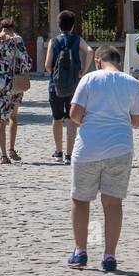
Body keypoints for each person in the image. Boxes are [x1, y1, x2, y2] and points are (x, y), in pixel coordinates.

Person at [67, 44, 139, 272]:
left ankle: (81, 252)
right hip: (120, 149)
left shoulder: (89, 79)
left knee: (81, 200)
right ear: (118, 61)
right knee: (112, 204)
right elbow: (137, 121)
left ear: (98, 60)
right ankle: (109, 255)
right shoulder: (132, 83)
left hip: (88, 148)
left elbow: (74, 114)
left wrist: (91, 123)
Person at [0, 17, 31, 165]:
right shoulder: (17, 39)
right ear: (12, 27)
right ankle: (12, 149)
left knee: (1, 120)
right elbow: (26, 61)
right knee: (14, 117)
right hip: (14, 83)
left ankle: (3, 155)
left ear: (0, 27)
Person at [45, 9, 93, 165]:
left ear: (59, 26)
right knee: (72, 119)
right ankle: (69, 155)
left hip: (55, 86)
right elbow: (90, 51)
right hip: (74, 86)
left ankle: (58, 152)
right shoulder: (77, 40)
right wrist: (83, 71)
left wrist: (56, 72)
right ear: (72, 26)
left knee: (57, 118)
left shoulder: (54, 41)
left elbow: (47, 66)